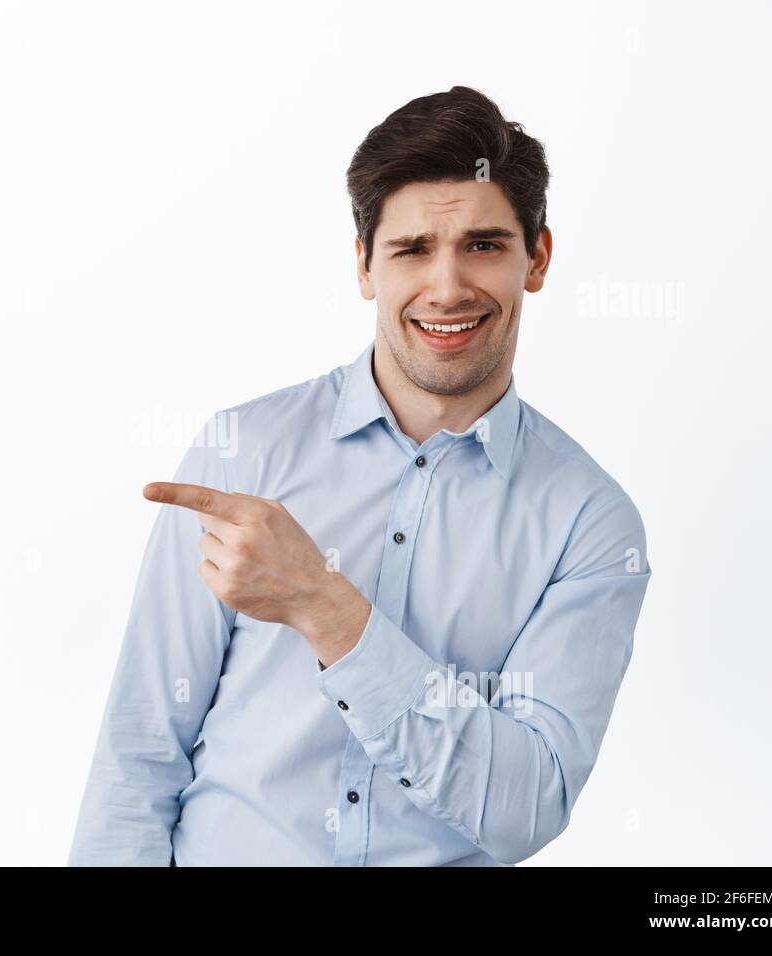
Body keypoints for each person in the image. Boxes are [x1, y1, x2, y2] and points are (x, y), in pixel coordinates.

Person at [68, 86, 652, 866]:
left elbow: (524, 808)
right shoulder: (242, 452)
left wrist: (323, 605)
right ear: (364, 266)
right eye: (412, 250)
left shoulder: (590, 523)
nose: (447, 287)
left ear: (536, 258)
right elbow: (139, 755)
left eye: (483, 245)